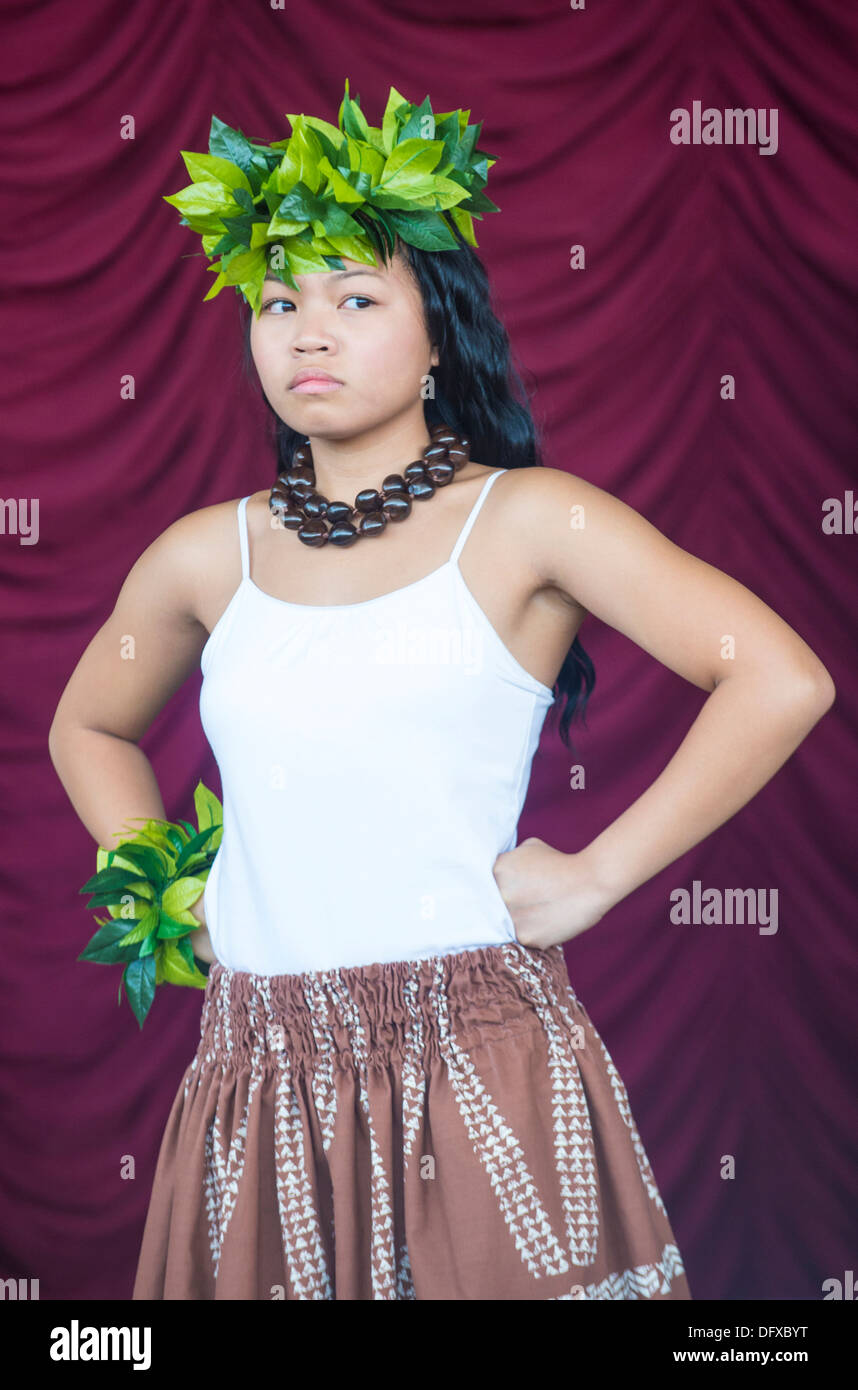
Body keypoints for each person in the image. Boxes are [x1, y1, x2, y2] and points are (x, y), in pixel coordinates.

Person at [49, 86, 834, 1301]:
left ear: (435, 340)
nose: (308, 332)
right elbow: (87, 725)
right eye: (278, 303)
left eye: (356, 300)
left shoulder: (529, 521)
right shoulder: (207, 555)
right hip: (261, 1070)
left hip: (478, 1055)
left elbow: (778, 675)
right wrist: (160, 878)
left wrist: (597, 873)